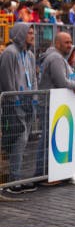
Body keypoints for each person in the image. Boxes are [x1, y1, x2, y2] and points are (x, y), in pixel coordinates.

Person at [0, 23, 39, 194]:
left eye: (33, 33)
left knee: (23, 142)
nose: (32, 35)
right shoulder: (10, 53)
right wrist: (15, 100)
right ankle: (13, 178)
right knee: (19, 139)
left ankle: (17, 176)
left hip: (29, 103)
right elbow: (7, 79)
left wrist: (36, 97)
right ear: (21, 34)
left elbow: (34, 78)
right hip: (14, 104)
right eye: (29, 32)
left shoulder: (29, 54)